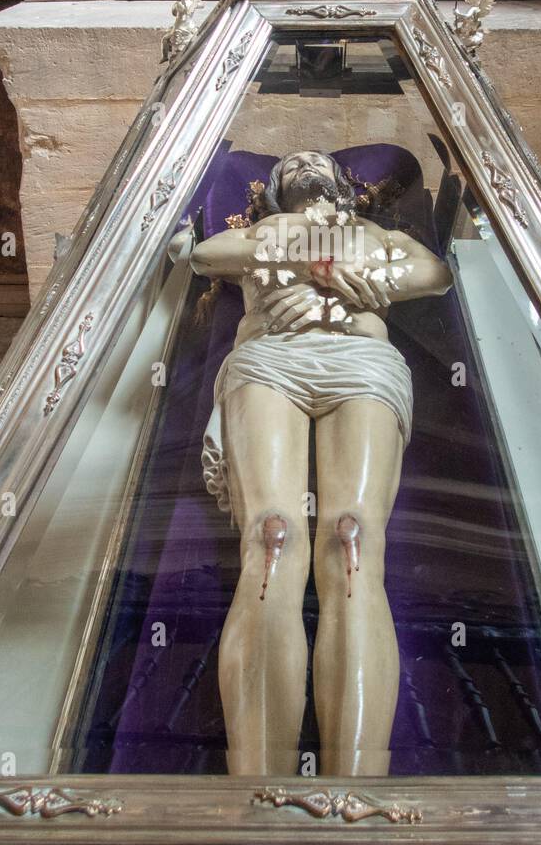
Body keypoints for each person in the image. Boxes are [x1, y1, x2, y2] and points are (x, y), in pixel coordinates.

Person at [190, 150, 451, 775]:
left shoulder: (375, 233)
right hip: (271, 361)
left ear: (345, 185)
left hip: (359, 361)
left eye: (317, 161)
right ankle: (260, 794)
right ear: (272, 192)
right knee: (271, 537)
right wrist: (311, 258)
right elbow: (202, 256)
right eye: (291, 165)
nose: (304, 164)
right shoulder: (264, 232)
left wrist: (353, 285)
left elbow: (435, 272)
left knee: (352, 540)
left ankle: (356, 792)